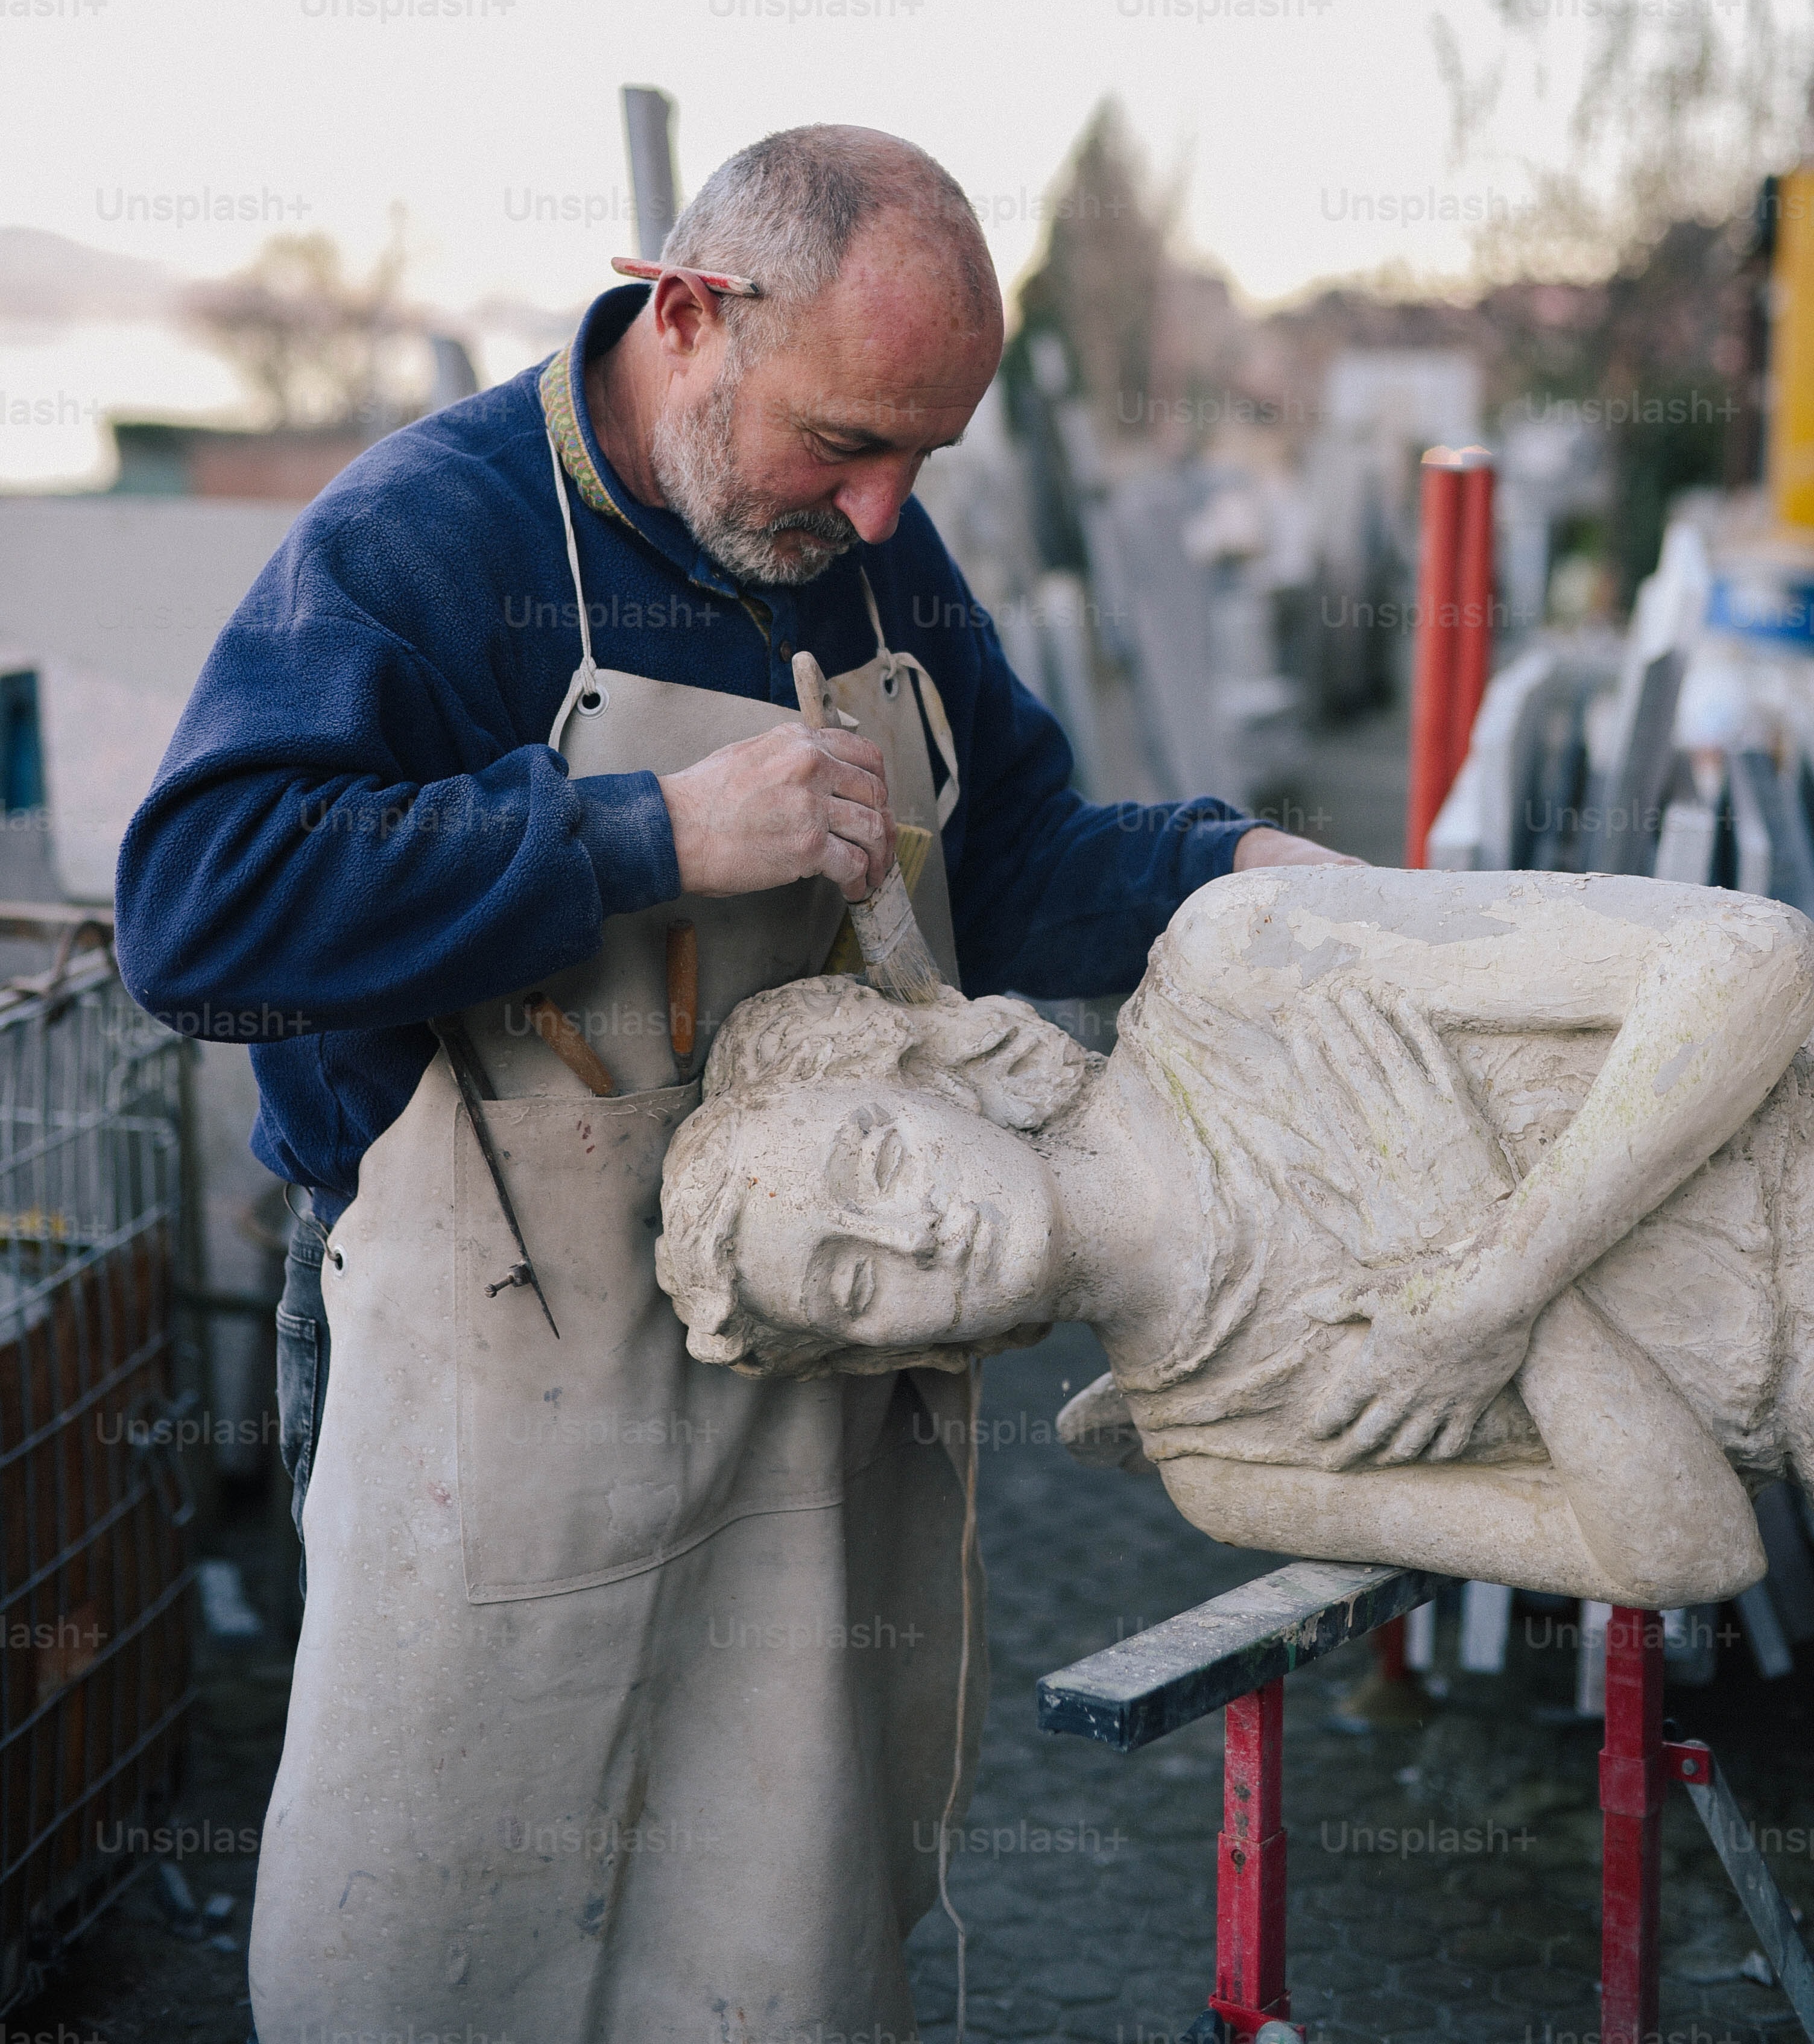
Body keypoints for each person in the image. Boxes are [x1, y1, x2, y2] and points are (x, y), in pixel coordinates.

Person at [113, 124, 1338, 2044]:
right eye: (843, 443)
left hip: (805, 1370)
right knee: (443, 1931)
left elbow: (1013, 862)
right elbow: (200, 913)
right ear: (688, 313)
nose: (880, 510)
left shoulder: (876, 559)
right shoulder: (428, 541)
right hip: (494, 1374)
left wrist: (1242, 875)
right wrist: (645, 837)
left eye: (923, 457)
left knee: (764, 1922)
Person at [656, 865, 1814, 1612]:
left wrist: (1496, 1281)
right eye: (854, 1287)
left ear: (934, 1075)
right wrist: (1483, 1278)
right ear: (887, 1353)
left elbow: (1752, 956)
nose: (915, 1237)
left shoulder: (1236, 967)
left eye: (877, 1160)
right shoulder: (1219, 1464)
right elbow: (1687, 1553)